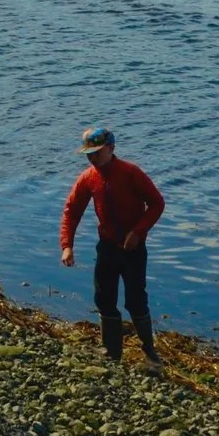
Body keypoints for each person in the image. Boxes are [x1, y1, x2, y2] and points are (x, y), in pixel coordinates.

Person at [60, 125, 167, 365]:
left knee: (136, 300)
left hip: (133, 249)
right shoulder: (88, 177)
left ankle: (149, 351)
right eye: (89, 154)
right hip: (107, 247)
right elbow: (72, 212)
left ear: (111, 148)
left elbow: (157, 204)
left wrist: (138, 232)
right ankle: (111, 351)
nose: (93, 158)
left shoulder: (131, 173)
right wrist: (67, 245)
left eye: (97, 152)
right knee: (104, 298)